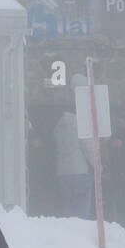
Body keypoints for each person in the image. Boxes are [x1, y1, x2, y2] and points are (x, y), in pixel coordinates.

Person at [53, 74, 96, 218]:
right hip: (80, 171)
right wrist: (99, 167)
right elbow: (88, 147)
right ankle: (80, 236)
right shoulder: (80, 123)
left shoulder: (57, 127)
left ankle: (69, 236)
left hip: (61, 172)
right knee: (81, 212)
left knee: (68, 211)